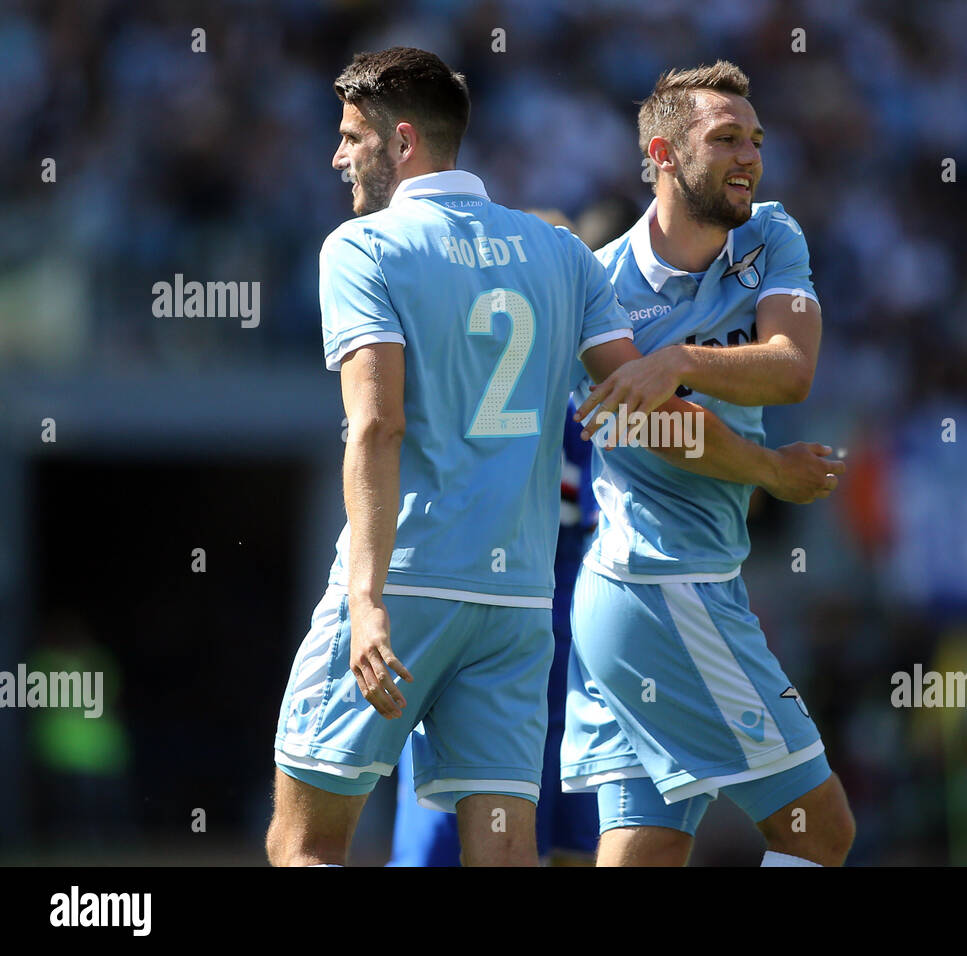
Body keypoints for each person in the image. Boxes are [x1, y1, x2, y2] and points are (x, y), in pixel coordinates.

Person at [265, 47, 835, 866]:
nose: (336, 156)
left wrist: (365, 598)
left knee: (307, 846)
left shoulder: (361, 249)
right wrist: (767, 469)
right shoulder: (560, 255)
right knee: (504, 854)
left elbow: (377, 428)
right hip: (519, 606)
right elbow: (649, 417)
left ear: (401, 142)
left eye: (350, 136)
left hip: (408, 581)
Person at [561, 61, 855, 866]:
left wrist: (676, 358)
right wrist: (766, 468)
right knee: (820, 830)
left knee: (644, 850)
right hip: (661, 586)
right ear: (662, 153)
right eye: (724, 138)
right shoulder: (601, 286)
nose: (749, 157)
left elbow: (792, 366)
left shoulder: (770, 234)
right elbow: (662, 428)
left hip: (659, 587)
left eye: (755, 140)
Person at [387, 399, 599, 867]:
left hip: (564, 612)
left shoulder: (583, 389)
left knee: (572, 837)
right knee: (444, 831)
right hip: (464, 600)